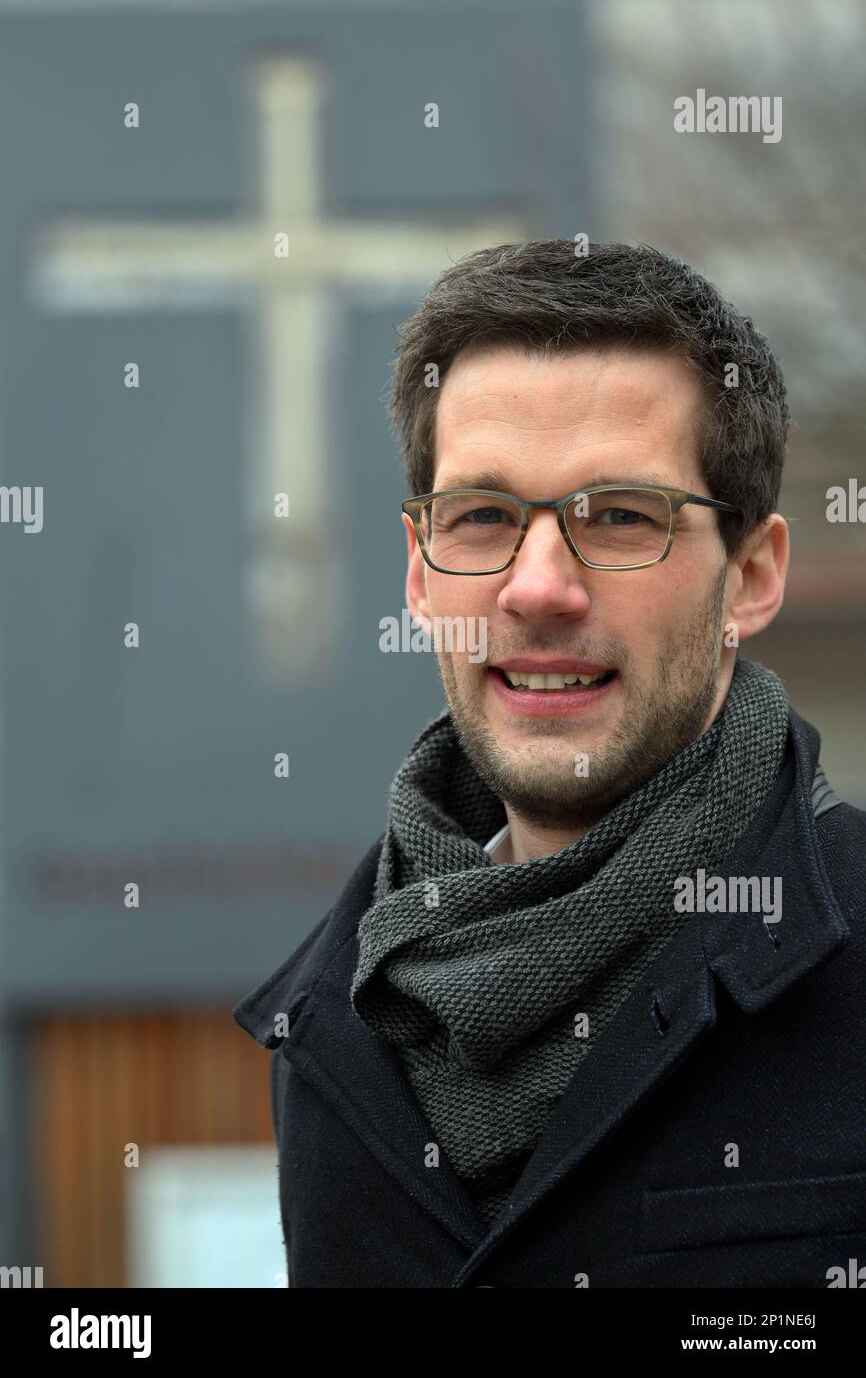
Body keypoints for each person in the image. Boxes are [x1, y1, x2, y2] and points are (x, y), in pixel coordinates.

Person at [233, 241, 865, 1288]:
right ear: (420, 576)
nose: (536, 588)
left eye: (617, 515)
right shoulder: (333, 1031)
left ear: (750, 576)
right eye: (481, 516)